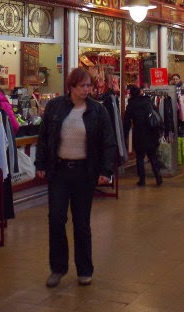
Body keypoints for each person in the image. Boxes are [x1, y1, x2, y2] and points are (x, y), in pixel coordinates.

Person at [34, 67, 116, 288]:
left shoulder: (98, 111)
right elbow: (44, 138)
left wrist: (106, 171)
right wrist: (40, 164)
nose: (87, 89)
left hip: (84, 173)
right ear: (71, 87)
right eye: (82, 86)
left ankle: (85, 270)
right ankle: (58, 268)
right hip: (59, 172)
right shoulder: (55, 107)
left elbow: (108, 142)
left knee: (82, 223)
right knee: (56, 219)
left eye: (89, 85)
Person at [122, 85, 163, 187]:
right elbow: (156, 115)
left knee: (140, 157)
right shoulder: (148, 101)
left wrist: (124, 134)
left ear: (131, 94)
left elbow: (127, 121)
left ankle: (142, 180)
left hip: (139, 133)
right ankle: (158, 176)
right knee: (152, 155)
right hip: (151, 132)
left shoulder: (131, 105)